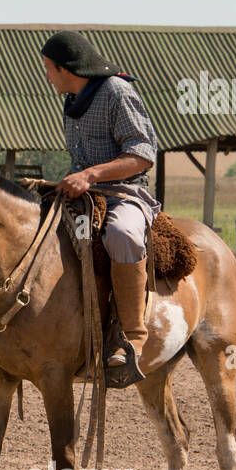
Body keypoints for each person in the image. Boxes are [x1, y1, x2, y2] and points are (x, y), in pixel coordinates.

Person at [42, 29, 161, 387]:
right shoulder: (72, 100)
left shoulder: (117, 92)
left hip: (125, 195)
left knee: (122, 235)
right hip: (84, 195)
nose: (46, 75)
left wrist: (90, 175)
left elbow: (142, 155)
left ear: (66, 68)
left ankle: (130, 337)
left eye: (48, 68)